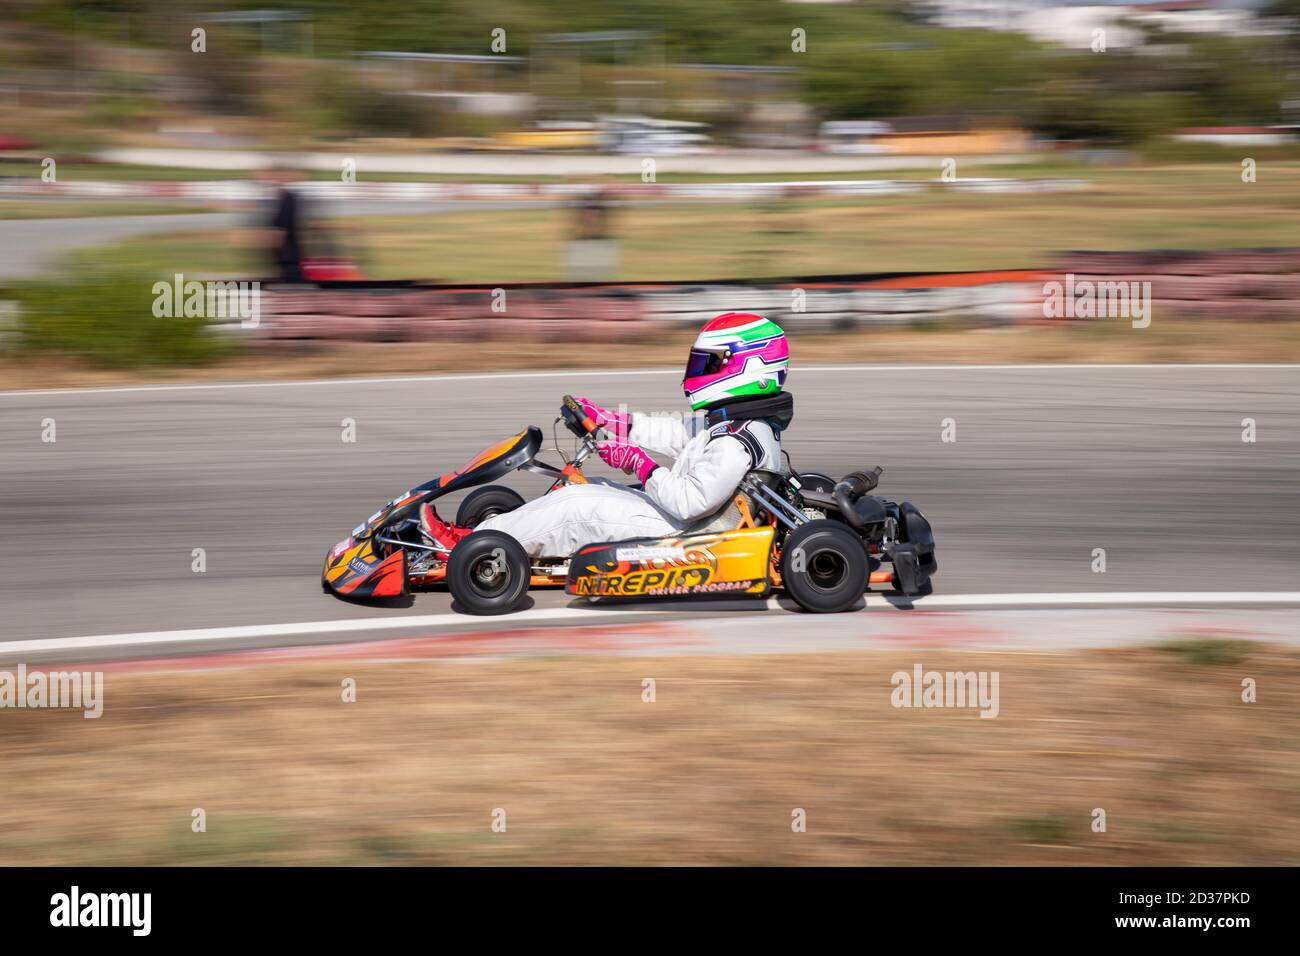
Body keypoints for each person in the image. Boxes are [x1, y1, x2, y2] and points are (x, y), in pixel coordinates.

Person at [419, 313, 794, 558]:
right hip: (686, 520)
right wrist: (612, 421)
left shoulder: (736, 441)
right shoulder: (733, 425)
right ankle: (492, 532)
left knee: (576, 507)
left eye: (710, 362)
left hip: (689, 532)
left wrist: (637, 462)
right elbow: (676, 432)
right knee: (584, 486)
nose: (700, 370)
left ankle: (467, 548)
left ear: (749, 367)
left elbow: (688, 502)